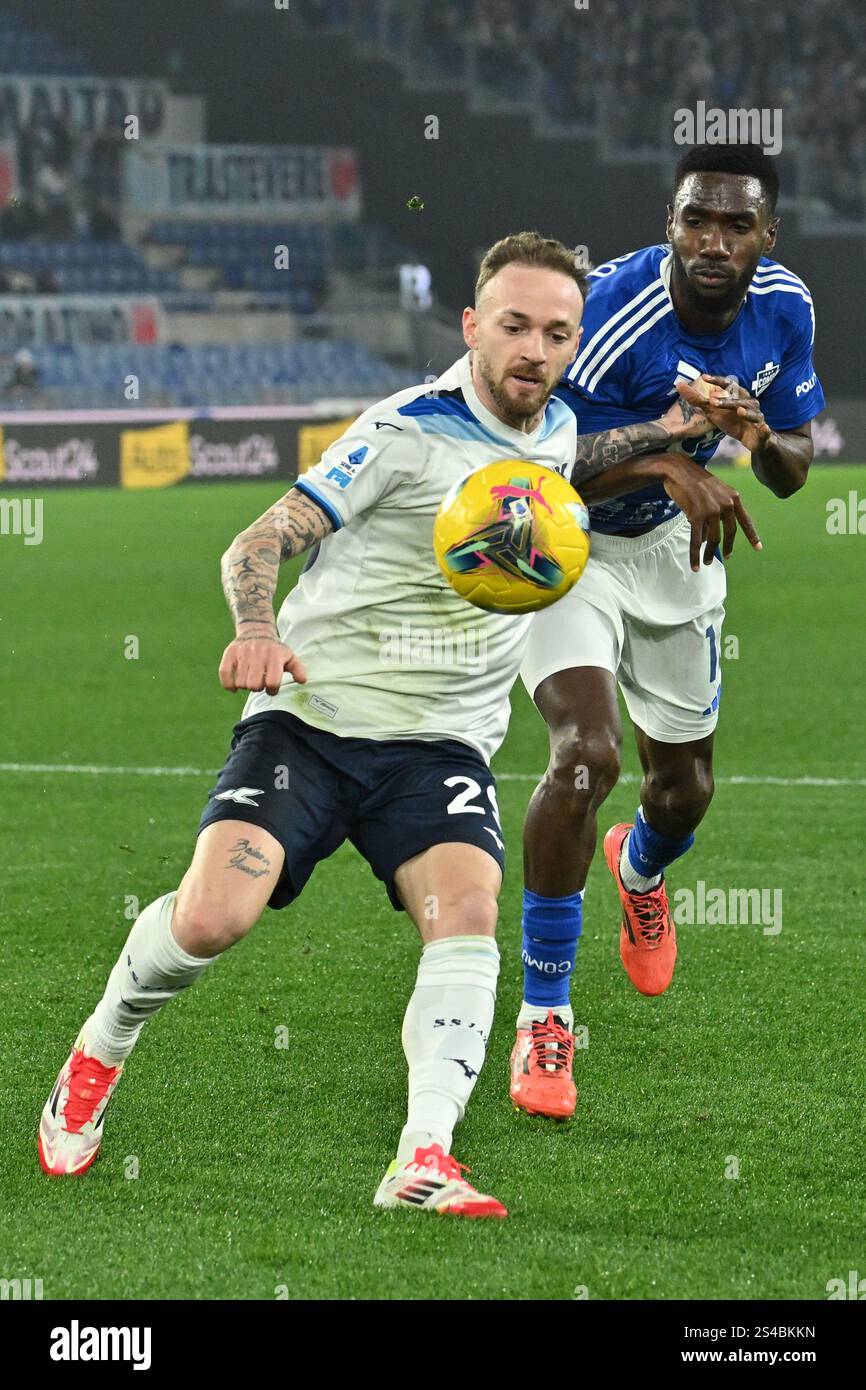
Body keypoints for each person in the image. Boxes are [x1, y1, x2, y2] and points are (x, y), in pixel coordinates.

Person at [39, 230, 594, 1218]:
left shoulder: (556, 436)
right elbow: (260, 538)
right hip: (310, 720)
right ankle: (99, 1048)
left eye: (556, 332)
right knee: (212, 918)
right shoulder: (404, 430)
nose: (533, 350)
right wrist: (256, 627)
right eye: (513, 325)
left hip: (441, 743)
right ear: (470, 326)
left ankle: (422, 1153)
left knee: (464, 915)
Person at [509, 144, 825, 1121]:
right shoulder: (605, 311)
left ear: (764, 236)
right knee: (581, 758)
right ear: (669, 222)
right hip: (564, 546)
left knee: (683, 791)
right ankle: (543, 1016)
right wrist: (665, 462)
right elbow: (539, 460)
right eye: (696, 220)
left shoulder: (785, 309)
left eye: (735, 225)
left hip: (674, 565)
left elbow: (792, 468)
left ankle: (637, 867)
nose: (713, 241)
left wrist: (754, 435)